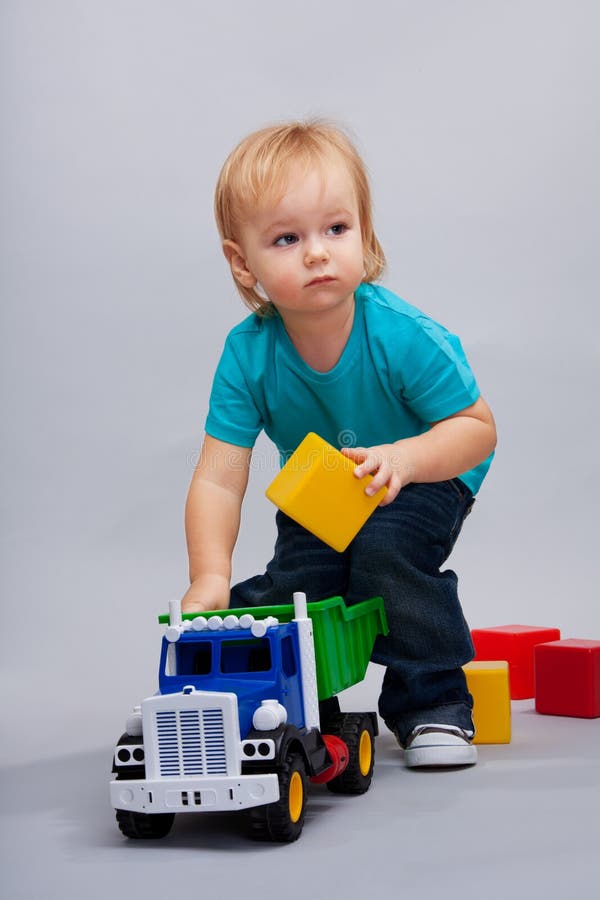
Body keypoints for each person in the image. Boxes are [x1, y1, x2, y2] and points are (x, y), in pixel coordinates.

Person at [182, 121, 497, 768]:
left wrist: (406, 460)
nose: (317, 253)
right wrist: (209, 573)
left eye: (336, 229)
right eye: (287, 238)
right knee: (301, 582)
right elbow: (218, 477)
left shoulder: (401, 334)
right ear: (243, 262)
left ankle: (434, 706)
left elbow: (476, 429)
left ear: (365, 234)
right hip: (325, 487)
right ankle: (299, 710)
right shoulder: (248, 356)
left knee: (385, 552)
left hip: (427, 471)